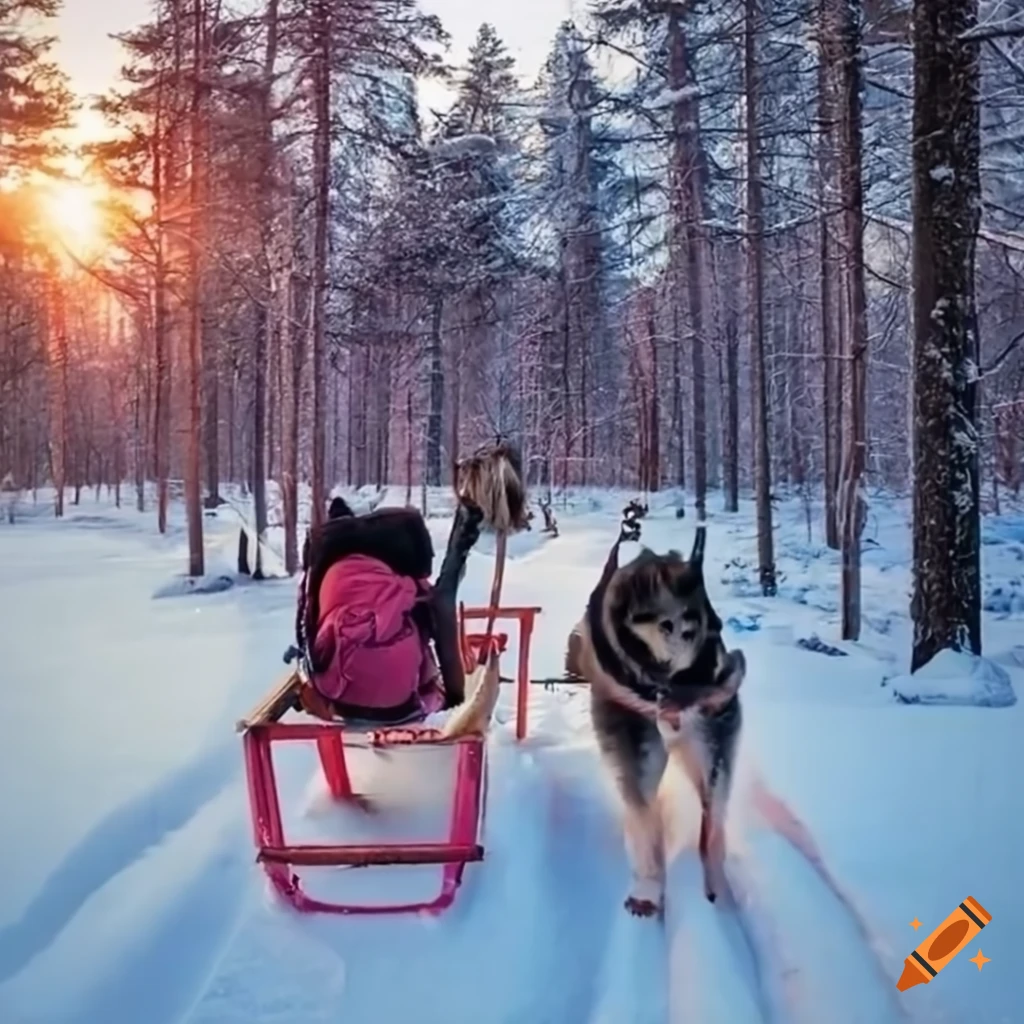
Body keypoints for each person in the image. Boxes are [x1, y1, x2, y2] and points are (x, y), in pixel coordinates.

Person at [292, 495, 484, 724]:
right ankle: (433, 702)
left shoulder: (322, 568)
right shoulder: (399, 569)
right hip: (400, 704)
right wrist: (455, 696)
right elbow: (439, 609)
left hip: (342, 702)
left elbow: (307, 630)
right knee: (411, 627)